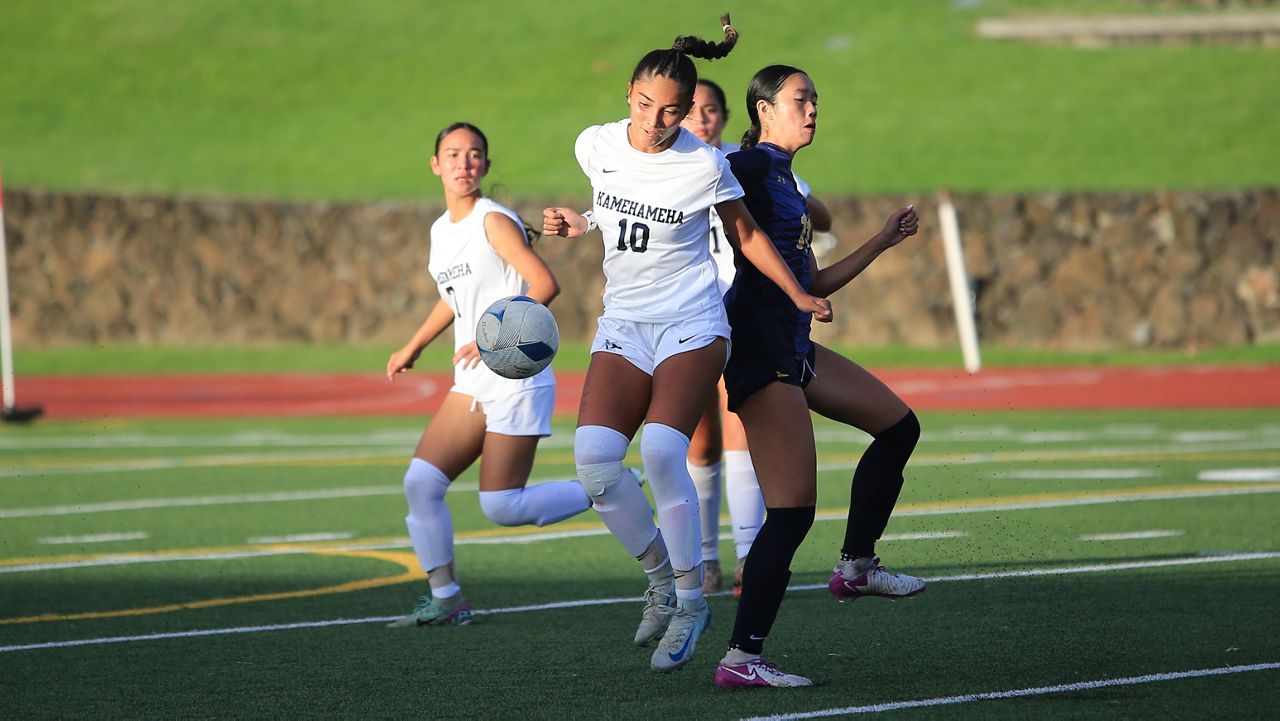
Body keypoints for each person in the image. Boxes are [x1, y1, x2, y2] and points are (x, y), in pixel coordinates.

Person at [543, 16, 831, 672]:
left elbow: (748, 234)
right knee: (594, 463)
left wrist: (798, 293)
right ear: (628, 95)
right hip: (624, 323)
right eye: (645, 105)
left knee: (664, 449)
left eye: (672, 111)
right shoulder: (595, 144)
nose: (655, 121)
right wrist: (579, 220)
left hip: (693, 323)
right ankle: (660, 577)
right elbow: (615, 204)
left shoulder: (701, 162)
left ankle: (693, 597)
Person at [711, 66, 923, 689]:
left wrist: (880, 241)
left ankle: (856, 566)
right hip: (762, 353)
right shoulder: (746, 168)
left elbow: (812, 281)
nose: (812, 110)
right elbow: (713, 214)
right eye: (800, 100)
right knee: (792, 514)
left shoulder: (784, 178)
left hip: (796, 347)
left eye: (815, 101)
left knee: (899, 427)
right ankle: (741, 658)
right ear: (763, 109)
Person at [385, 122, 594, 628]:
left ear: (485, 165)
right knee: (421, 484)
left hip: (516, 377)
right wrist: (414, 344)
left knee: (502, 505)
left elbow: (545, 284)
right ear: (435, 164)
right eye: (453, 154)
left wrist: (493, 337)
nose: (463, 163)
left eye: (474, 154)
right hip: (473, 379)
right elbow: (451, 296)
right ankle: (447, 599)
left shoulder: (494, 221)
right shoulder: (441, 230)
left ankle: (610, 485)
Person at [679, 78, 834, 596]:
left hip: (742, 314)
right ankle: (705, 560)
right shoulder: (676, 169)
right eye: (690, 111)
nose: (701, 119)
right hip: (691, 312)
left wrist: (801, 203)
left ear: (727, 116)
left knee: (740, 430)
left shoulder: (742, 164)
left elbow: (815, 213)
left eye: (710, 110)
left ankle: (749, 556)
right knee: (699, 442)